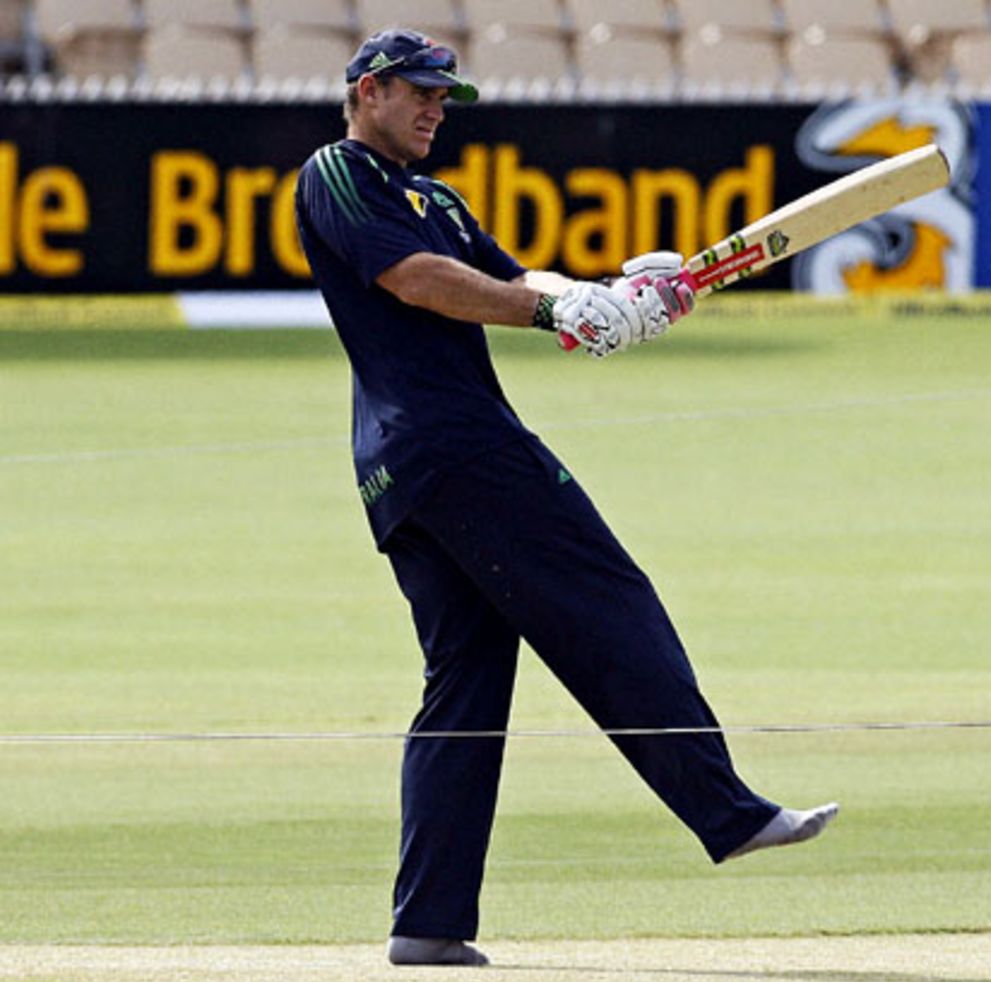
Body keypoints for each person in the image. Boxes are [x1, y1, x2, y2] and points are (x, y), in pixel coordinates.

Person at [294, 28, 839, 968]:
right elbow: (416, 281)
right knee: (607, 601)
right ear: (369, 91)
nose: (436, 111)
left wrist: (614, 298)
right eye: (421, 92)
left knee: (465, 683)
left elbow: (512, 281)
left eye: (444, 97)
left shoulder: (437, 198)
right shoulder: (337, 173)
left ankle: (427, 923)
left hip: (409, 471)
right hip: (454, 448)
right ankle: (727, 810)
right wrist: (558, 310)